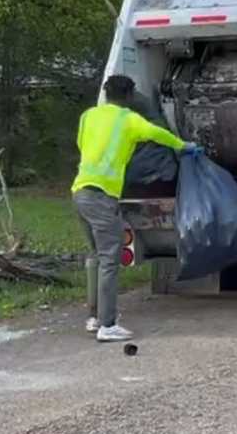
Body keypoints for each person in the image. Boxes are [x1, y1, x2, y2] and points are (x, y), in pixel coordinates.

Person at [72, 74, 198, 342]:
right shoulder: (129, 120)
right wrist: (184, 146)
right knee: (109, 260)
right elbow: (158, 134)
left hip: (80, 192)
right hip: (101, 196)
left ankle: (95, 319)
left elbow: (82, 145)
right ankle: (108, 325)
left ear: (106, 94)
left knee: (96, 256)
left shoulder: (88, 116)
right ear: (129, 97)